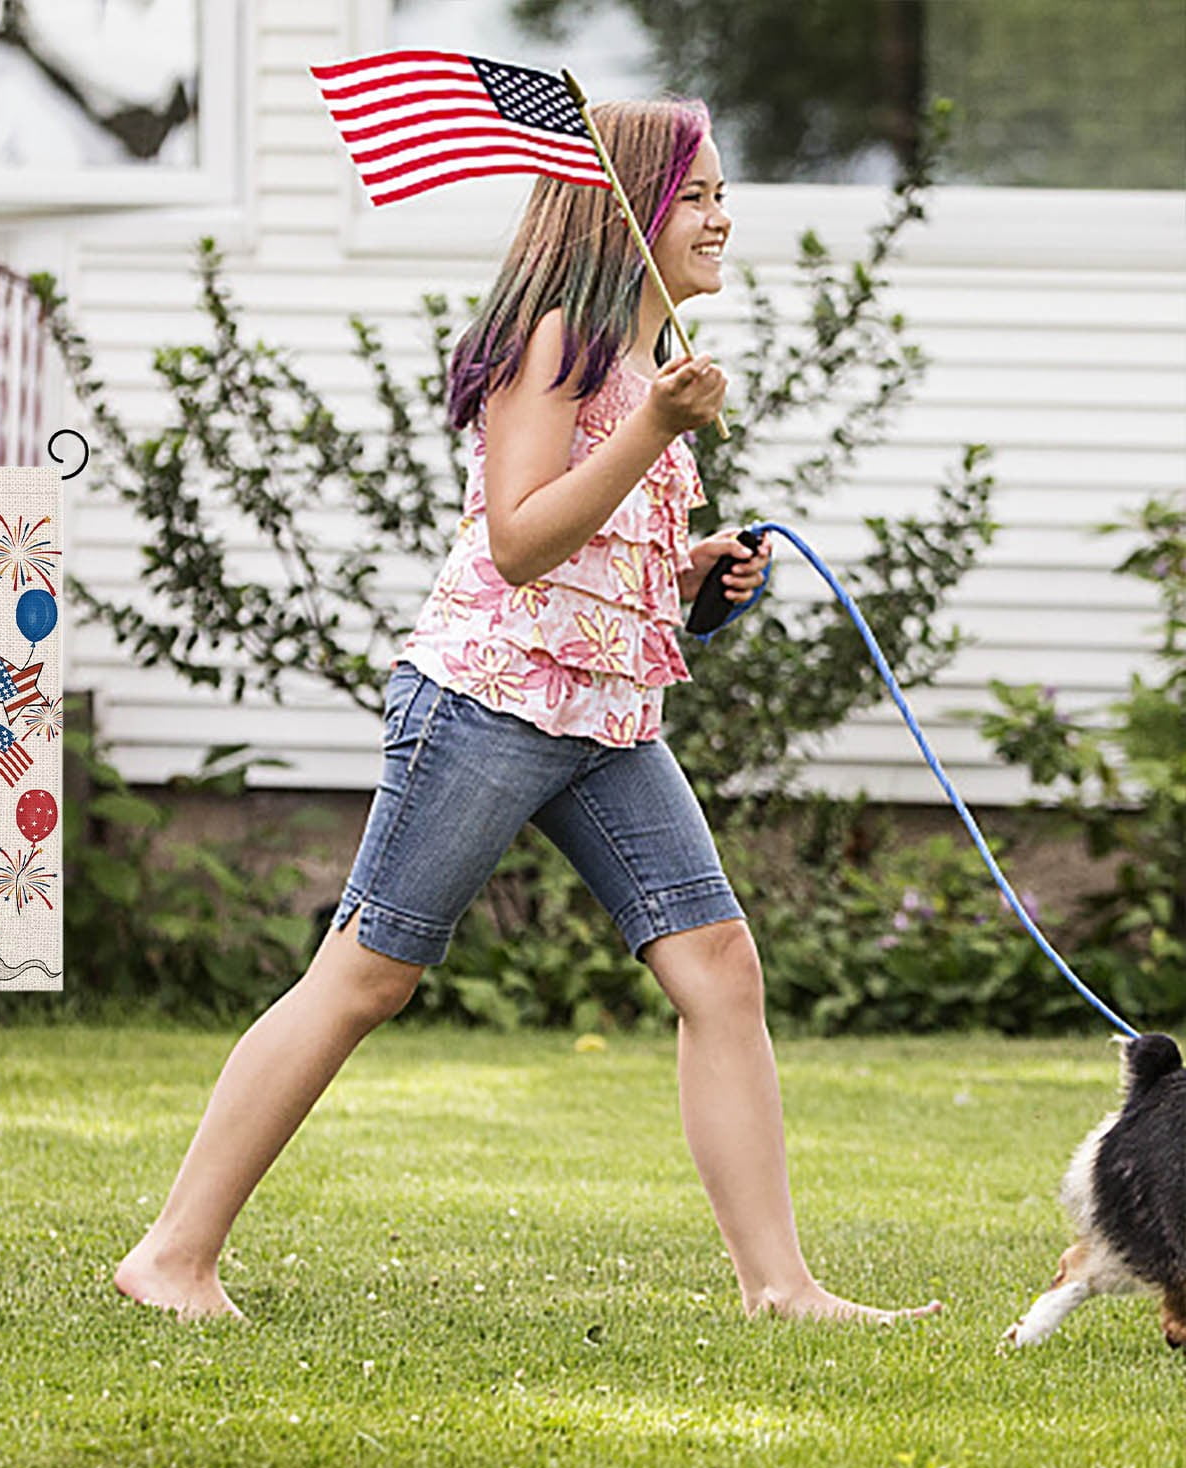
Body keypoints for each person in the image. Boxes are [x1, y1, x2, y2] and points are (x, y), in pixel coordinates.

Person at [116, 98, 942, 1327]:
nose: (723, 216)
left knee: (718, 966)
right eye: (699, 196)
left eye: (723, 194)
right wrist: (654, 430)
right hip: (489, 701)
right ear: (629, 210)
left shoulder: (645, 358)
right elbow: (516, 540)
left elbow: (602, 562)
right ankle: (172, 1254)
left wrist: (695, 581)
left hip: (607, 717)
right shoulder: (559, 339)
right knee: (366, 974)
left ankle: (780, 1285)